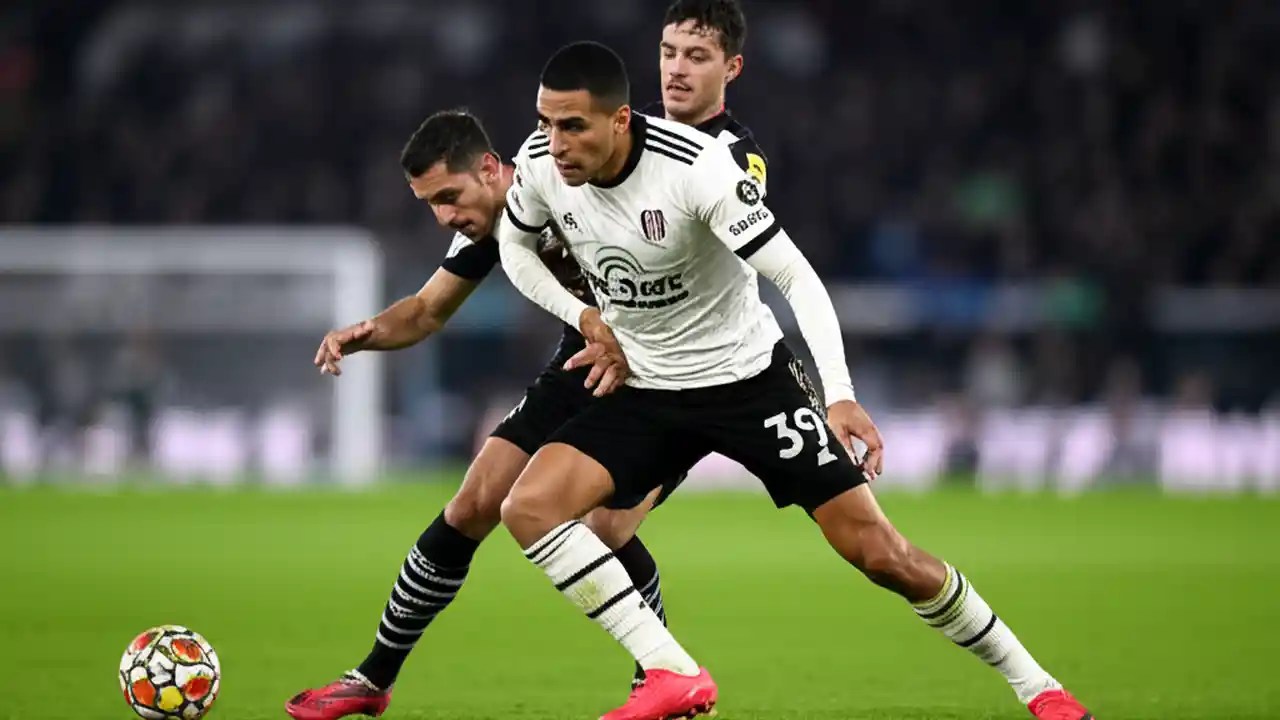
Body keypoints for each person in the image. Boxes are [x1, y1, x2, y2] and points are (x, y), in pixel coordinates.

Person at [495, 41, 1095, 720]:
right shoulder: (540, 164)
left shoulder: (695, 169)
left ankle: (1040, 687)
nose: (555, 143)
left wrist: (840, 394)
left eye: (573, 126)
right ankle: (671, 672)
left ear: (621, 119)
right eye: (546, 123)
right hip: (648, 388)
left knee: (880, 553)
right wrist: (583, 315)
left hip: (748, 384)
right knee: (531, 508)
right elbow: (515, 249)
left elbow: (795, 277)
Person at [285, 3, 772, 716]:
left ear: (490, 169)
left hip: (668, 369)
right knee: (474, 501)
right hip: (583, 361)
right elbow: (425, 311)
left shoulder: (585, 175)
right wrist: (367, 332)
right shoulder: (501, 220)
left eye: (450, 197)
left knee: (606, 529)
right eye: (430, 205)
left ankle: (663, 675)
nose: (446, 217)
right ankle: (371, 679)